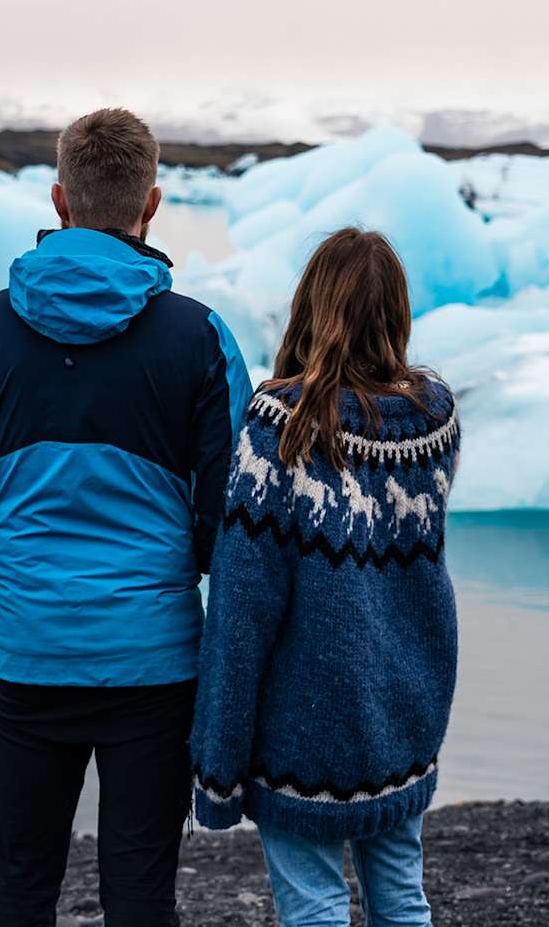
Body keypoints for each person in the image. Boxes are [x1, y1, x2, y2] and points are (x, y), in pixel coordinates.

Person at [0, 107, 250, 927]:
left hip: (28, 654)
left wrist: (23, 548)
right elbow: (231, 509)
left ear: (60, 200)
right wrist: (171, 565)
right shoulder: (201, 336)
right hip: (154, 661)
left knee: (22, 883)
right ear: (154, 202)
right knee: (140, 893)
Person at [191, 227, 460, 927]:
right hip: (404, 715)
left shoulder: (280, 424)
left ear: (309, 308)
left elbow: (241, 611)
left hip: (301, 737)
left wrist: (217, 771)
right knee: (403, 900)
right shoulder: (434, 417)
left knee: (313, 910)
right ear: (396, 314)